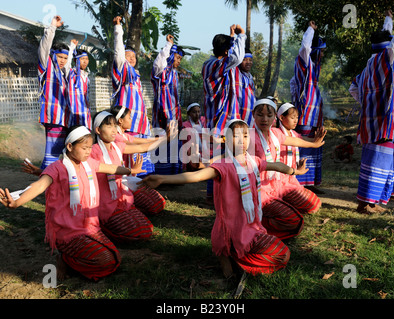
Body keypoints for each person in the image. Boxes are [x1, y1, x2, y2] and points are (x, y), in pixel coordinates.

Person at [140, 119, 309, 277]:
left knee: (283, 254)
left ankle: (237, 257)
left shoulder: (253, 161)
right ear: (227, 140)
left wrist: (295, 172)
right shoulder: (223, 166)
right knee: (277, 256)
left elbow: (276, 165)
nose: (242, 140)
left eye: (244, 135)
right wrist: (163, 179)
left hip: (252, 227)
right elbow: (196, 176)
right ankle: (227, 253)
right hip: (231, 229)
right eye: (235, 136)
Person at [0, 126, 139, 281]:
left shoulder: (89, 163)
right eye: (84, 148)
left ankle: (72, 258)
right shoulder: (56, 168)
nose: (88, 152)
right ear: (70, 146)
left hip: (90, 227)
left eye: (90, 148)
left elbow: (111, 168)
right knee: (106, 261)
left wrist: (131, 171)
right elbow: (39, 185)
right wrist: (17, 202)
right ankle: (65, 258)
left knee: (114, 258)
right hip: (67, 233)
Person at [349, 8, 394, 214]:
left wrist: (367, 102)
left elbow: (353, 88)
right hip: (384, 124)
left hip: (370, 124)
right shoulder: (385, 60)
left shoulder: (368, 66)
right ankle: (364, 203)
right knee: (378, 163)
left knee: (372, 163)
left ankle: (369, 202)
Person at [251, 99, 324, 237]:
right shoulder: (248, 136)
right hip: (259, 190)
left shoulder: (275, 134)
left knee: (314, 204)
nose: (265, 119)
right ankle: (256, 223)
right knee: (294, 222)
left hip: (279, 185)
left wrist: (315, 144)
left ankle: (276, 210)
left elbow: (295, 140)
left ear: (274, 117)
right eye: (260, 115)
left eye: (269, 115)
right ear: (253, 114)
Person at [89, 111, 160, 243]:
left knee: (146, 229)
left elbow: (143, 147)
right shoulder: (92, 151)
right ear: (98, 130)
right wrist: (131, 170)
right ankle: (102, 221)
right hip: (104, 202)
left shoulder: (117, 146)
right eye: (109, 126)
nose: (114, 130)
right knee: (135, 232)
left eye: (114, 125)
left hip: (120, 197)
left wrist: (165, 139)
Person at [111, 16, 154, 177]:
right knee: (129, 155)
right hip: (129, 123)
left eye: (133, 57)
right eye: (128, 56)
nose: (131, 59)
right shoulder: (122, 72)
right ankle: (128, 182)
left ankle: (141, 182)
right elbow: (118, 53)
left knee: (141, 156)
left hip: (140, 122)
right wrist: (118, 29)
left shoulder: (136, 76)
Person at [290, 20, 326, 192]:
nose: (323, 55)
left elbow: (293, 84)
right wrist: (311, 29)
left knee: (315, 148)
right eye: (322, 52)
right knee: (304, 148)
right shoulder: (304, 62)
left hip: (315, 117)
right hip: (305, 116)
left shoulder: (314, 68)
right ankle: (300, 185)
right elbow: (305, 47)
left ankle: (310, 183)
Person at [37, 15, 72, 169]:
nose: (63, 60)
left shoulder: (64, 74)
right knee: (52, 153)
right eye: (60, 57)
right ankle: (47, 182)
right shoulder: (46, 66)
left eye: (65, 57)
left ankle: (56, 180)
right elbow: (44, 47)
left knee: (60, 153)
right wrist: (52, 27)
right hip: (53, 116)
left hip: (64, 118)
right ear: (53, 54)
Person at [202, 24, 249, 138]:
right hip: (218, 123)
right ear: (226, 51)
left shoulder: (210, 63)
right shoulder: (215, 65)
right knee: (218, 153)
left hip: (219, 121)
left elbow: (230, 56)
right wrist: (242, 35)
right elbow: (236, 58)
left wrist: (232, 36)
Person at [151, 34, 185, 175]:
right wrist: (168, 45)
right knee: (162, 140)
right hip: (161, 113)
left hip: (173, 114)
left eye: (180, 59)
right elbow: (159, 62)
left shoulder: (175, 74)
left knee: (173, 141)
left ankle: (173, 173)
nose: (178, 61)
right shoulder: (161, 71)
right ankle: (160, 173)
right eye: (177, 57)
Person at [67, 40, 92, 130]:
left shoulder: (86, 77)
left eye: (86, 59)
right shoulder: (71, 73)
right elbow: (67, 64)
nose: (85, 62)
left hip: (85, 113)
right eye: (82, 59)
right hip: (74, 112)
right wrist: (72, 47)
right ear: (76, 60)